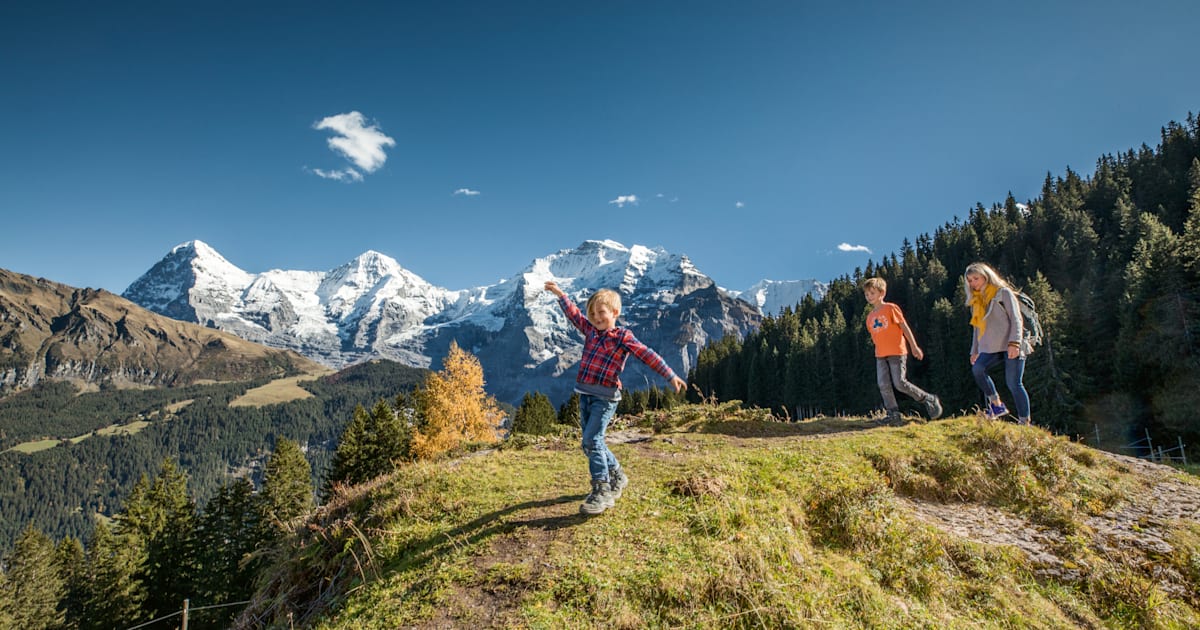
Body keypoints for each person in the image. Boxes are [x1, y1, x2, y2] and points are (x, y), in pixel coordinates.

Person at [545, 280, 687, 515]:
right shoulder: (590, 330)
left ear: (614, 313)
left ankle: (602, 490)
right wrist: (560, 294)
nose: (595, 317)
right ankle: (617, 474)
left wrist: (669, 374)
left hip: (605, 398)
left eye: (601, 312)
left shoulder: (622, 337)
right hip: (585, 395)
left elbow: (646, 354)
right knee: (590, 442)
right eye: (592, 313)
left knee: (592, 441)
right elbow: (575, 316)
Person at [862, 277, 943, 425]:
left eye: (872, 293)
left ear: (882, 293)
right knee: (883, 384)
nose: (869, 297)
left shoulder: (891, 308)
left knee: (899, 382)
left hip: (897, 352)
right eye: (867, 294)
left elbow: (904, 327)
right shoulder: (870, 317)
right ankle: (893, 413)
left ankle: (928, 398)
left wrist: (914, 346)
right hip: (880, 355)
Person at [963, 262, 1032, 425]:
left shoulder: (1003, 293)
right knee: (978, 369)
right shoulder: (976, 302)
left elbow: (1016, 319)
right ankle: (996, 405)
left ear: (986, 276)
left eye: (976, 278)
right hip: (991, 347)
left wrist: (1014, 342)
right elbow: (977, 329)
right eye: (970, 281)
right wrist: (974, 351)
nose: (973, 283)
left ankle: (1025, 421)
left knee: (1014, 384)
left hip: (1011, 344)